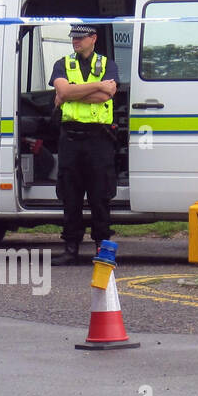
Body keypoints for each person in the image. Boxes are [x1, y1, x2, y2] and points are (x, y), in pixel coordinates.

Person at [48, 23, 119, 265]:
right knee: (71, 195)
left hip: (99, 139)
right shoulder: (62, 63)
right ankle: (71, 247)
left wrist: (74, 92)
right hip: (70, 138)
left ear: (93, 38)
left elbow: (104, 97)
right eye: (73, 38)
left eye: (81, 38)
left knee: (100, 196)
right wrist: (98, 85)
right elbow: (64, 92)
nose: (75, 41)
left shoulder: (108, 64)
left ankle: (102, 247)